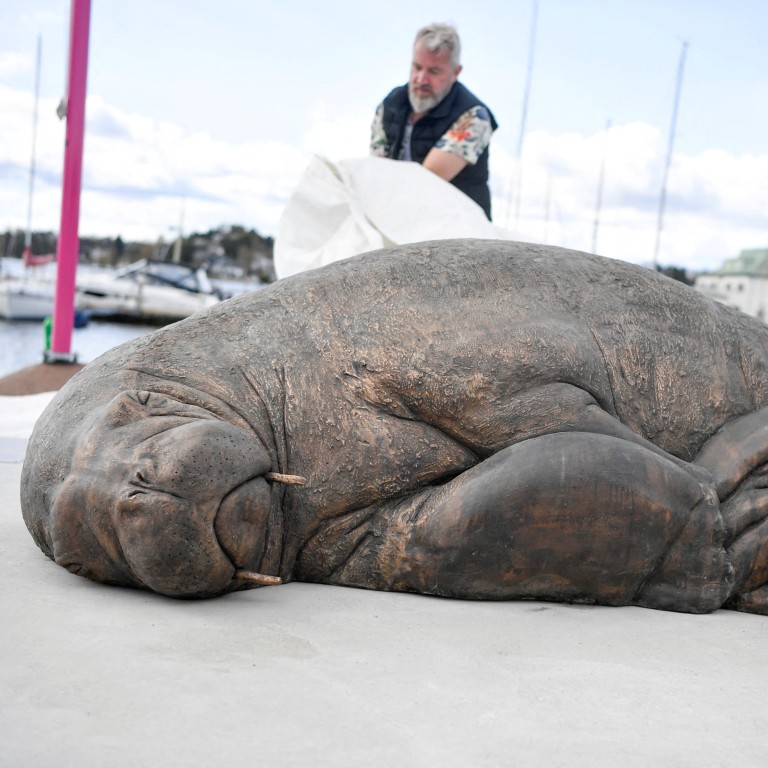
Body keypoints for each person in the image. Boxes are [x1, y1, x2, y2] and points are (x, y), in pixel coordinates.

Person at [370, 23, 498, 219]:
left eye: (434, 71)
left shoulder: (474, 116)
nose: (421, 79)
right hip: (398, 219)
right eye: (417, 67)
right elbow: (376, 171)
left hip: (460, 229)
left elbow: (427, 181)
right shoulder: (390, 105)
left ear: (456, 72)